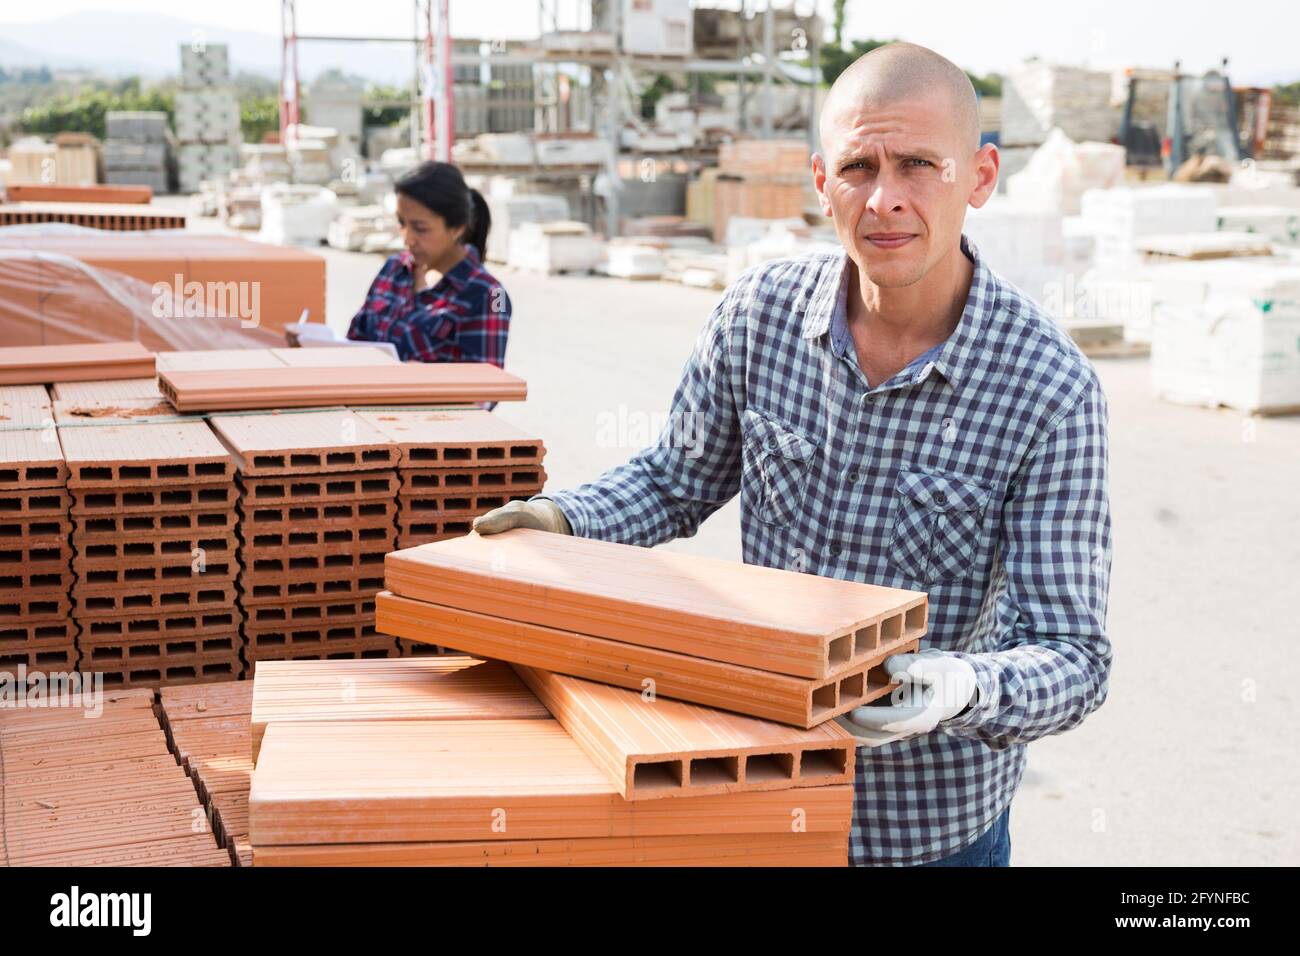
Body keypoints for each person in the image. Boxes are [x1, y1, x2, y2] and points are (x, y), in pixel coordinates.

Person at [473, 42, 1113, 867]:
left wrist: (960, 687)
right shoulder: (759, 317)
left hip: (928, 832)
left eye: (919, 165)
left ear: (980, 177)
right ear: (821, 181)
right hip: (764, 793)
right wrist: (562, 519)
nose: (884, 198)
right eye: (858, 167)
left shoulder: (1049, 387)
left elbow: (1071, 654)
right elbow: (675, 480)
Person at [347, 161, 511, 367]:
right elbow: (355, 338)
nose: (408, 238)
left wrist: (426, 377)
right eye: (402, 223)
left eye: (420, 228)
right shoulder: (393, 269)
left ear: (457, 228)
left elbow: (488, 383)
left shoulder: (493, 295)